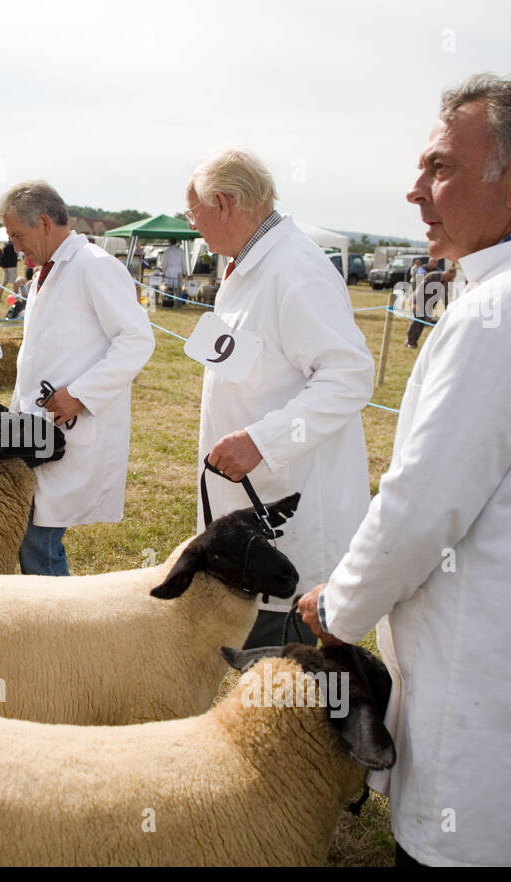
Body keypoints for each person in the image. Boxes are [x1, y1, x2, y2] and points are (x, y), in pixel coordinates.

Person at [296, 74, 511, 867]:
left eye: (441, 168)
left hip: (495, 675)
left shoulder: (503, 311)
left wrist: (339, 607)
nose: (416, 190)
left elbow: (419, 510)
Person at [186, 148, 374, 647]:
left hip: (290, 499)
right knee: (255, 656)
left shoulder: (295, 270)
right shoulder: (249, 265)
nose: (193, 226)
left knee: (283, 677)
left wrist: (261, 441)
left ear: (224, 204)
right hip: (252, 495)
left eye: (194, 213)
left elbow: (348, 376)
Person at [0, 180, 155, 575]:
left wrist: (80, 394)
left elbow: (136, 340)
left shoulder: (94, 266)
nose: (15, 246)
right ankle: (53, 621)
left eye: (18, 234)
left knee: (39, 537)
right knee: (32, 532)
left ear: (44, 223)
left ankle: (61, 627)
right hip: (38, 426)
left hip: (70, 425)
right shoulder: (45, 273)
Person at [405, 262, 455, 348]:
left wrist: (448, 310)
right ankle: (409, 341)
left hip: (428, 305)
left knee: (422, 323)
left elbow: (445, 296)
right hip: (419, 301)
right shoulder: (433, 276)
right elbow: (420, 289)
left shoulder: (445, 281)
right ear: (447, 273)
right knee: (416, 321)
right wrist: (416, 303)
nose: (450, 280)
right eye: (450, 278)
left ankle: (414, 342)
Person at [159, 237, 186, 308]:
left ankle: (169, 302)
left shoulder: (167, 251)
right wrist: (184, 272)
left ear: (169, 242)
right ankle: (178, 303)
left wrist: (163, 272)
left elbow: (164, 263)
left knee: (169, 288)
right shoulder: (181, 251)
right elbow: (184, 263)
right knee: (178, 289)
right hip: (178, 271)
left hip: (169, 271)